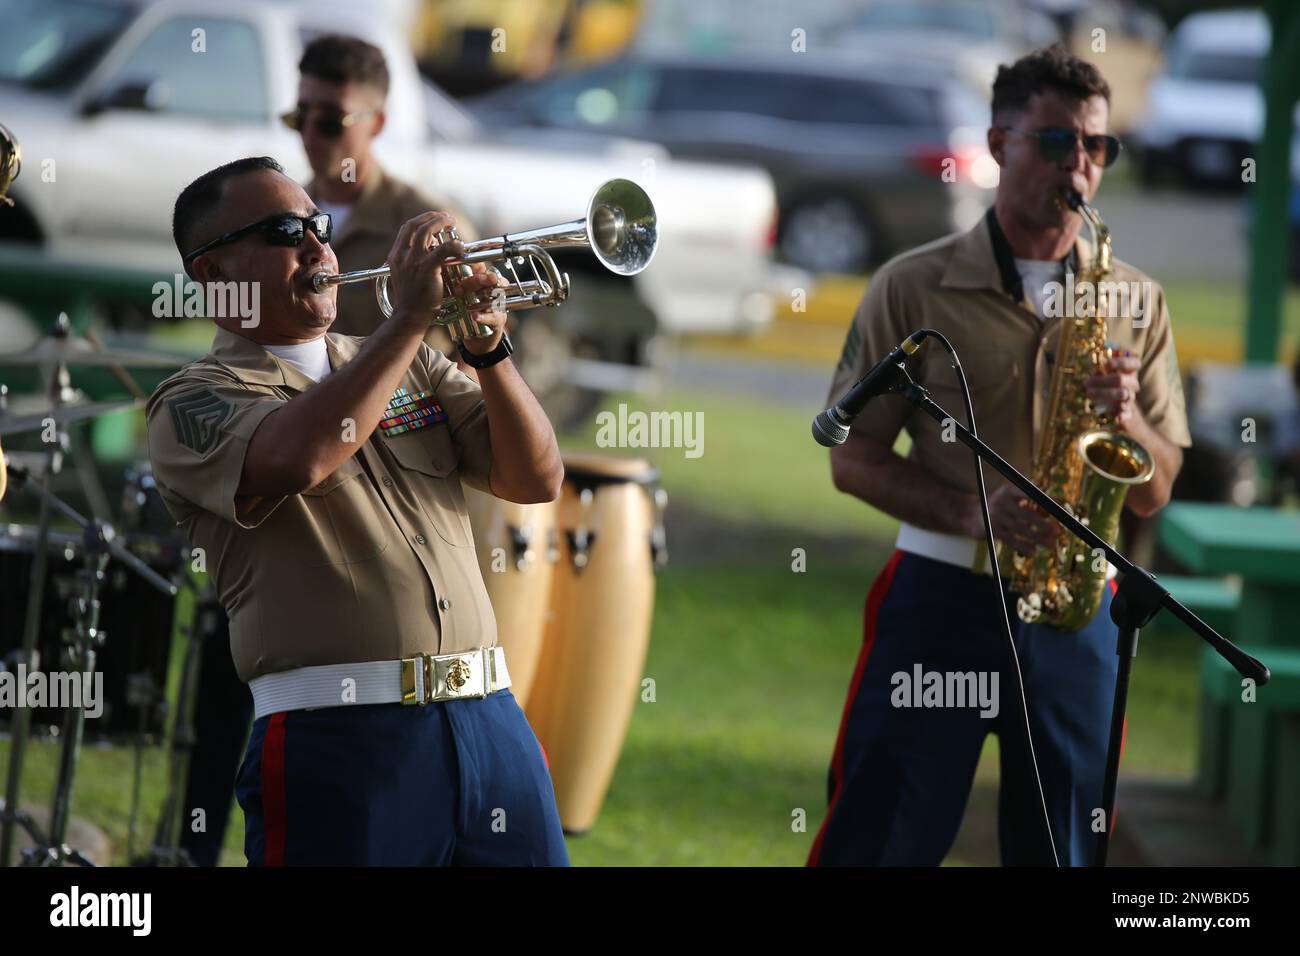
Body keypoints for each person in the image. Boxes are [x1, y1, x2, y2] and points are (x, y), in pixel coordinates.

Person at [808, 45, 1191, 867]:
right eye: (1057, 143)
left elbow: (1156, 491)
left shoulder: (1138, 300)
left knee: (1064, 852)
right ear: (997, 142)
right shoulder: (910, 286)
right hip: (941, 599)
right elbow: (852, 458)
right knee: (878, 841)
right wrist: (971, 513)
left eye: (1098, 148)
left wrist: (1129, 422)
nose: (1079, 166)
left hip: (1079, 615)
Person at [147, 155, 568, 866]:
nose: (318, 247)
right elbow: (300, 455)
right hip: (338, 738)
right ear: (213, 272)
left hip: (489, 722)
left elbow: (535, 476)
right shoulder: (190, 401)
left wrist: (489, 349)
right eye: (286, 231)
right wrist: (407, 319)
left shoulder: (411, 362)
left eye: (320, 225)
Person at [287, 33, 474, 358]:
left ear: (377, 123)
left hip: (402, 406)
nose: (310, 134)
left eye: (331, 121)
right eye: (301, 117)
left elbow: (470, 349)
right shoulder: (278, 217)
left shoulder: (428, 224)